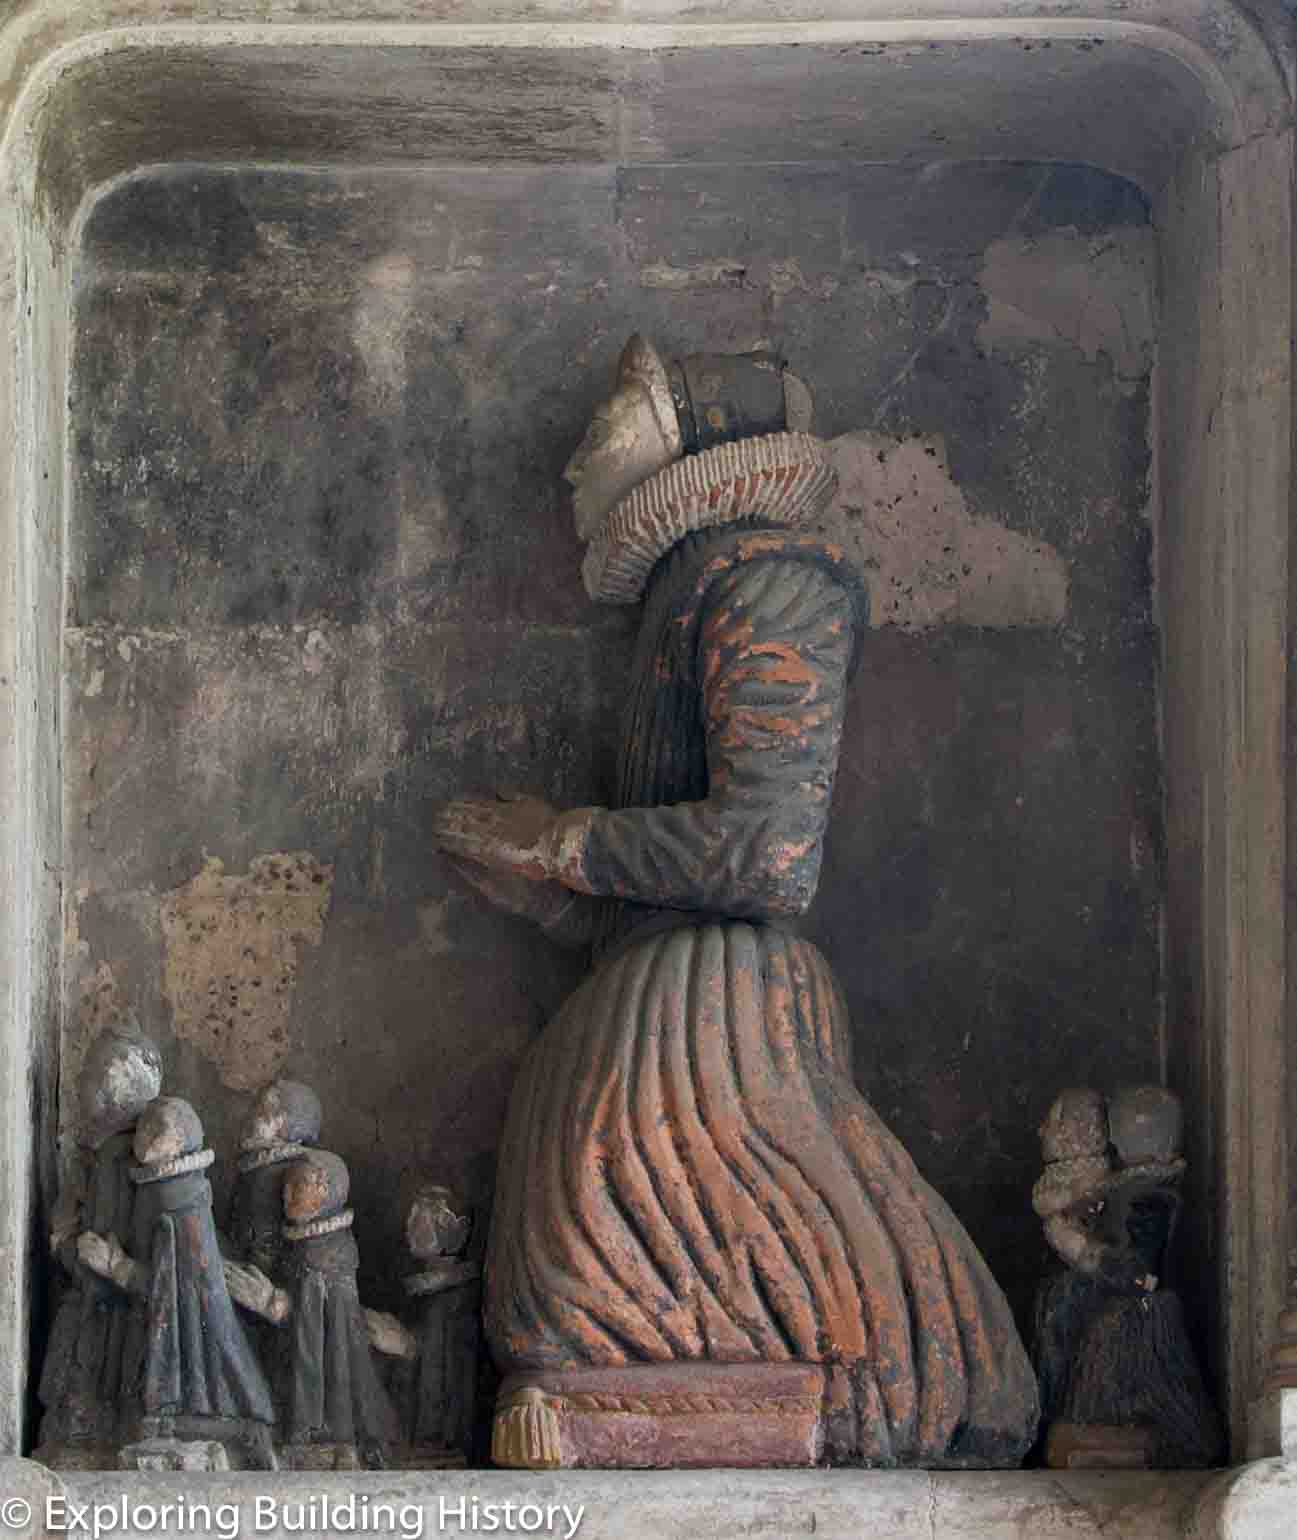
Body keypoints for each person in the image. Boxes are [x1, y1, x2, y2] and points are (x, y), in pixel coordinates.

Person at [433, 335, 1038, 1468]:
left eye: (612, 417)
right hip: (658, 988)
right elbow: (664, 881)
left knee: (616, 1267)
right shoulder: (701, 584)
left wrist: (566, 841)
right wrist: (539, 886)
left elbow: (767, 856)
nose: (577, 462)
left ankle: (802, 1401)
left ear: (697, 434)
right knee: (561, 1287)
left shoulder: (772, 577)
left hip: (711, 1011)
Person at [77, 1096, 277, 1469]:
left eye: (160, 1129)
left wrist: (117, 1267)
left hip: (189, 1347)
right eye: (147, 1126)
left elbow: (176, 1288)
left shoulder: (180, 1202)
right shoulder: (163, 1190)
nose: (147, 1136)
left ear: (183, 1138)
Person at [37, 1022, 162, 1462]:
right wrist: (73, 1250)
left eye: (89, 1073)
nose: (80, 1083)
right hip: (87, 1305)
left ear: (117, 1086)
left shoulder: (151, 1169)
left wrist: (117, 1267)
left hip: (130, 1315)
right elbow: (62, 1230)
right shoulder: (89, 1161)